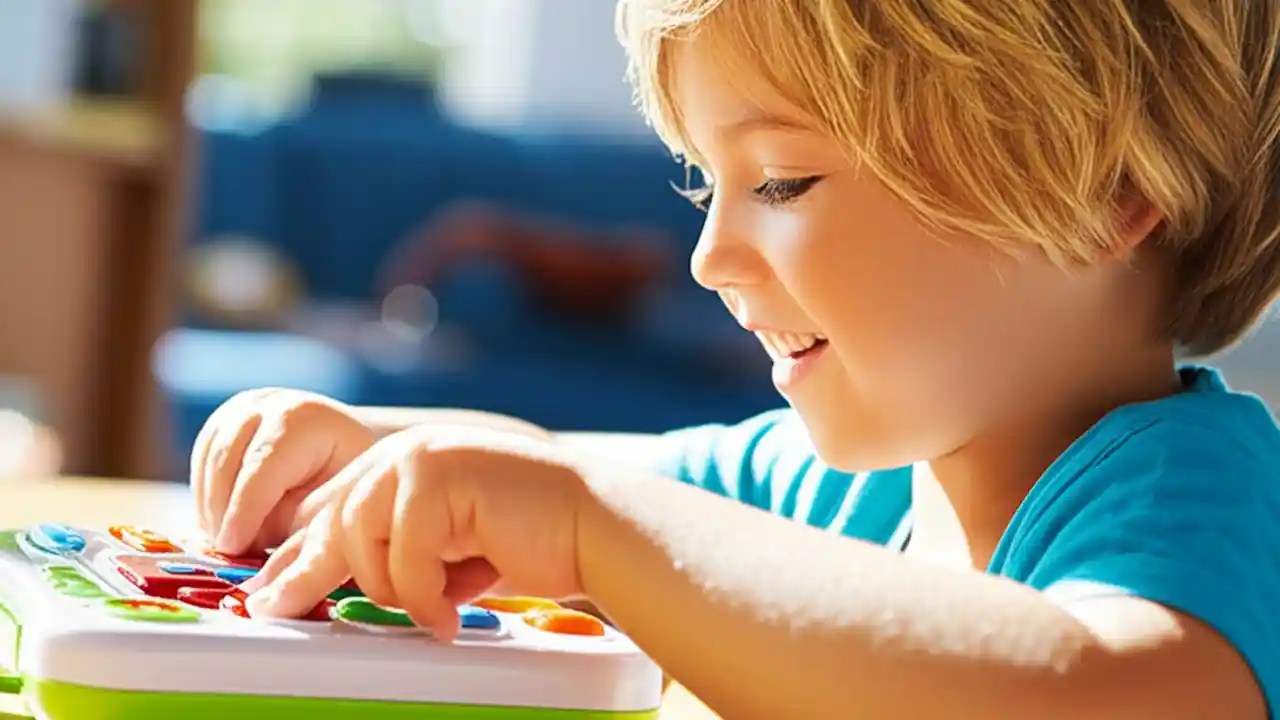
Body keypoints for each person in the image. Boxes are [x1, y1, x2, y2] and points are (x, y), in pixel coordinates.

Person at [191, 1, 1280, 716]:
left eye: (780, 182)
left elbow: (1111, 691)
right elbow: (563, 485)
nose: (709, 256)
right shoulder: (818, 491)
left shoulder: (1197, 488)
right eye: (704, 182)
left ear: (1105, 194)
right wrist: (375, 456)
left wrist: (589, 525)